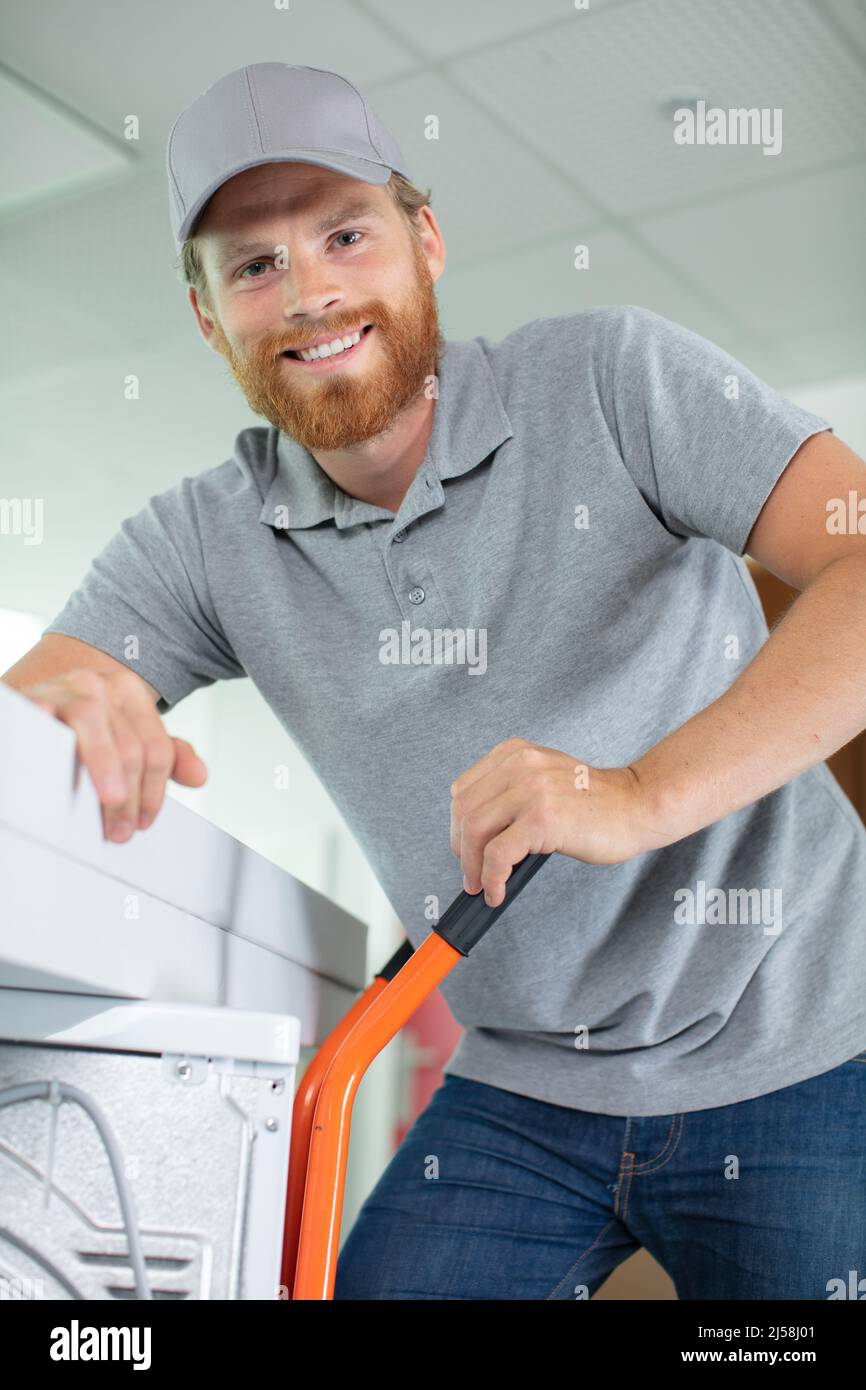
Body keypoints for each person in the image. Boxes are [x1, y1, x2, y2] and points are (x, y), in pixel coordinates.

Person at [4, 63, 866, 1301]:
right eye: (251, 266)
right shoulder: (199, 538)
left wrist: (632, 794)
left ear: (425, 241)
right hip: (522, 1083)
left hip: (804, 1039)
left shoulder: (612, 378)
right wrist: (50, 718)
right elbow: (36, 709)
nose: (307, 292)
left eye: (344, 233)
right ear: (207, 319)